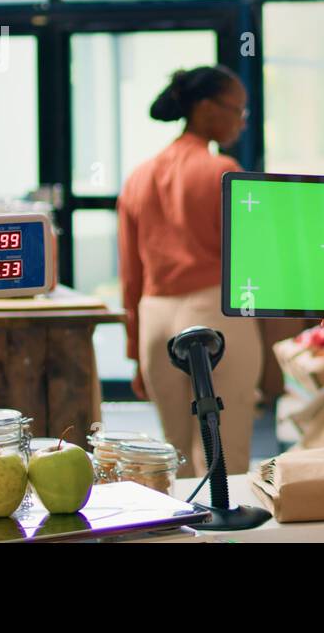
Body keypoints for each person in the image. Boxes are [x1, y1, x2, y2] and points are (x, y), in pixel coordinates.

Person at [118, 65, 263, 478]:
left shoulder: (138, 177)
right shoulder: (222, 171)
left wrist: (135, 351)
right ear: (205, 108)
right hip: (216, 314)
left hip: (155, 320)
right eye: (237, 110)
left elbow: (131, 275)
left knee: (175, 457)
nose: (241, 121)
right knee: (226, 457)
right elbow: (249, 261)